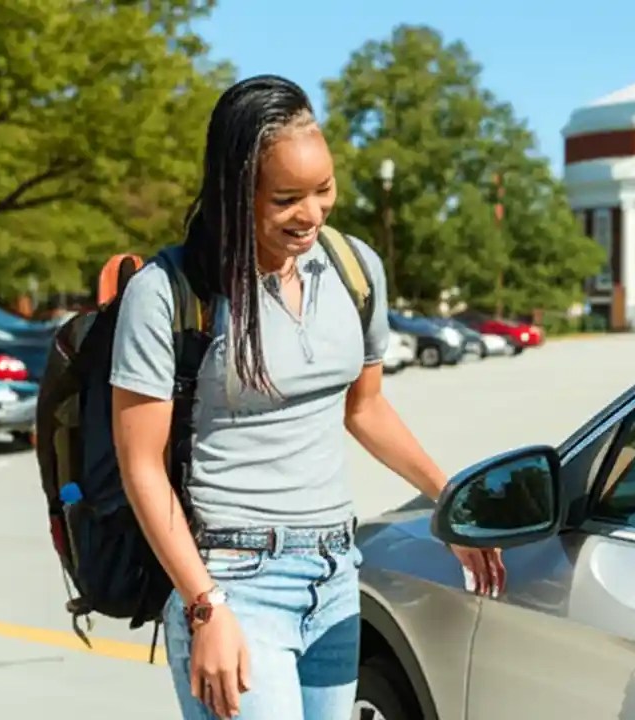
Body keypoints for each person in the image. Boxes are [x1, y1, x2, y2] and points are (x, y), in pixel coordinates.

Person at [109, 74, 505, 720]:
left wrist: (449, 500)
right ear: (235, 192)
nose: (313, 215)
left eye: (324, 190)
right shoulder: (169, 293)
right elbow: (141, 466)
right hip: (231, 579)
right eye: (286, 198)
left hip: (333, 578)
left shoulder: (352, 270)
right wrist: (204, 605)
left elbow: (364, 408)